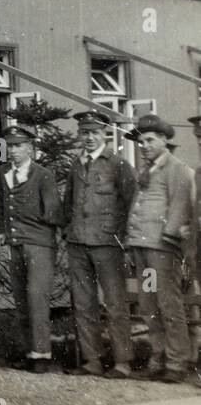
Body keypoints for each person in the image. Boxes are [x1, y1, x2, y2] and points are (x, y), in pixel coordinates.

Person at [63, 111, 137, 379]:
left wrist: (126, 242)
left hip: (108, 244)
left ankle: (122, 363)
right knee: (84, 304)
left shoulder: (118, 164)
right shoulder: (76, 165)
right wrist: (67, 231)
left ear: (105, 133)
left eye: (94, 132)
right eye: (85, 132)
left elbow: (131, 203)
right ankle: (92, 360)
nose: (89, 137)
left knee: (116, 304)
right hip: (78, 244)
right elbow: (68, 202)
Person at [124, 113, 195, 383]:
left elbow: (181, 206)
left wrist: (169, 238)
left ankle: (177, 363)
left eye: (150, 140)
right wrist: (132, 242)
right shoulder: (146, 170)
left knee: (169, 304)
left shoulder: (177, 168)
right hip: (142, 249)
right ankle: (159, 358)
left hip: (162, 251)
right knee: (149, 303)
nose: (145, 145)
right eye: (141, 141)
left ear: (164, 140)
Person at [0, 125, 64, 373]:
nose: (13, 151)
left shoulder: (43, 174)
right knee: (21, 300)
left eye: (18, 146)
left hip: (39, 245)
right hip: (15, 244)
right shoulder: (4, 173)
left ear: (30, 148)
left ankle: (42, 355)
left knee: (37, 298)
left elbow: (53, 211)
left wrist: (36, 221)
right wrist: (2, 230)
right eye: (10, 146)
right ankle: (29, 352)